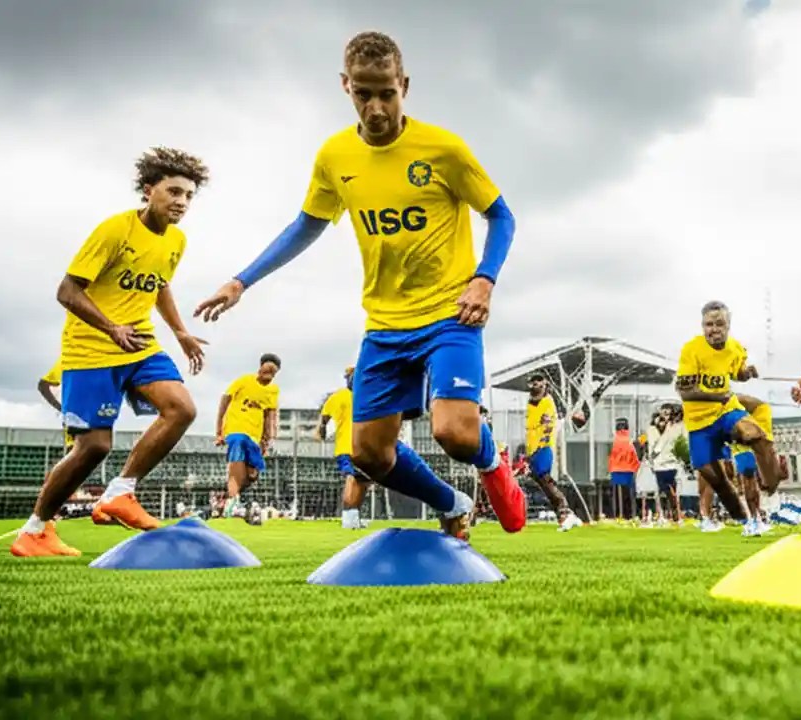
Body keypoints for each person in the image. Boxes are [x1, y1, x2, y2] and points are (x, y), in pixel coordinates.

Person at [194, 31, 522, 540]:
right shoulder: (335, 157)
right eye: (362, 94)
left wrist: (484, 278)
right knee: (367, 453)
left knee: (454, 433)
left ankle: (490, 462)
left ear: (405, 86)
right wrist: (241, 281)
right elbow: (306, 224)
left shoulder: (444, 149)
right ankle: (453, 503)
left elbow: (501, 216)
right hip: (385, 324)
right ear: (345, 86)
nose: (374, 108)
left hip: (449, 314)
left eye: (385, 93)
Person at [11, 148, 209, 557]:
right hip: (91, 349)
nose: (182, 202)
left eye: (189, 196)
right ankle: (34, 532)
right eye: (174, 192)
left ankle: (120, 492)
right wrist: (111, 327)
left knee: (182, 409)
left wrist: (181, 332)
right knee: (94, 446)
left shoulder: (177, 240)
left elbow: (160, 286)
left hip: (139, 344)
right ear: (148, 190)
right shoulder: (114, 231)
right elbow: (67, 290)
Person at [675, 301, 777, 538]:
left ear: (728, 325)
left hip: (726, 413)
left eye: (719, 324)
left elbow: (736, 372)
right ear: (702, 326)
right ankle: (728, 518)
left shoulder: (735, 348)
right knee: (712, 476)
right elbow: (685, 392)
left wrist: (747, 372)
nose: (713, 329)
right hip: (699, 422)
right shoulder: (692, 350)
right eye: (708, 324)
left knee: (753, 437)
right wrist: (716, 396)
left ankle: (758, 514)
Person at [215, 354, 280, 520]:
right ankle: (233, 503)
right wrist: (219, 430)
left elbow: (270, 415)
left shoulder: (273, 391)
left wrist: (268, 438)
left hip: (255, 436)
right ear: (260, 367)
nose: (269, 375)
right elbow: (224, 401)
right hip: (236, 431)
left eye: (273, 372)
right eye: (267, 370)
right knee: (237, 456)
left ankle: (227, 498)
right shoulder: (244, 381)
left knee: (252, 475)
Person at [526, 373, 581, 530]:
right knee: (542, 482)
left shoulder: (547, 402)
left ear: (544, 385)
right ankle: (565, 514)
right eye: (533, 382)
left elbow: (548, 426)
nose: (535, 385)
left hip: (542, 447)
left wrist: (542, 443)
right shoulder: (531, 403)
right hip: (533, 448)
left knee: (545, 479)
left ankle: (565, 512)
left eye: (539, 383)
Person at [319, 366, 365, 529]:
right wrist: (322, 430)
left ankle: (355, 517)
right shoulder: (340, 396)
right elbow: (325, 417)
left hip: (364, 448)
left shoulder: (365, 395)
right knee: (351, 478)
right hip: (347, 447)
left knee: (362, 482)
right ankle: (348, 517)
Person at [733, 393, 775, 532]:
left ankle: (755, 518)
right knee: (749, 478)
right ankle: (756, 518)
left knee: (749, 478)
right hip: (747, 435)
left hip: (748, 433)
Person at [646, 404, 685, 526]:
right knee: (665, 490)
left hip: (667, 463)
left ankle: (673, 514)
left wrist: (652, 456)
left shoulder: (673, 428)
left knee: (666, 489)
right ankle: (668, 515)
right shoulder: (653, 429)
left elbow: (659, 446)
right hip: (662, 464)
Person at [608, 418, 640, 521]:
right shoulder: (629, 441)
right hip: (628, 470)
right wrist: (637, 468)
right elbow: (634, 456)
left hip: (615, 470)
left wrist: (610, 468)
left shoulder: (614, 441)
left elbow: (611, 457)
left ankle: (617, 514)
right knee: (628, 494)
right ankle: (628, 515)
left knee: (616, 494)